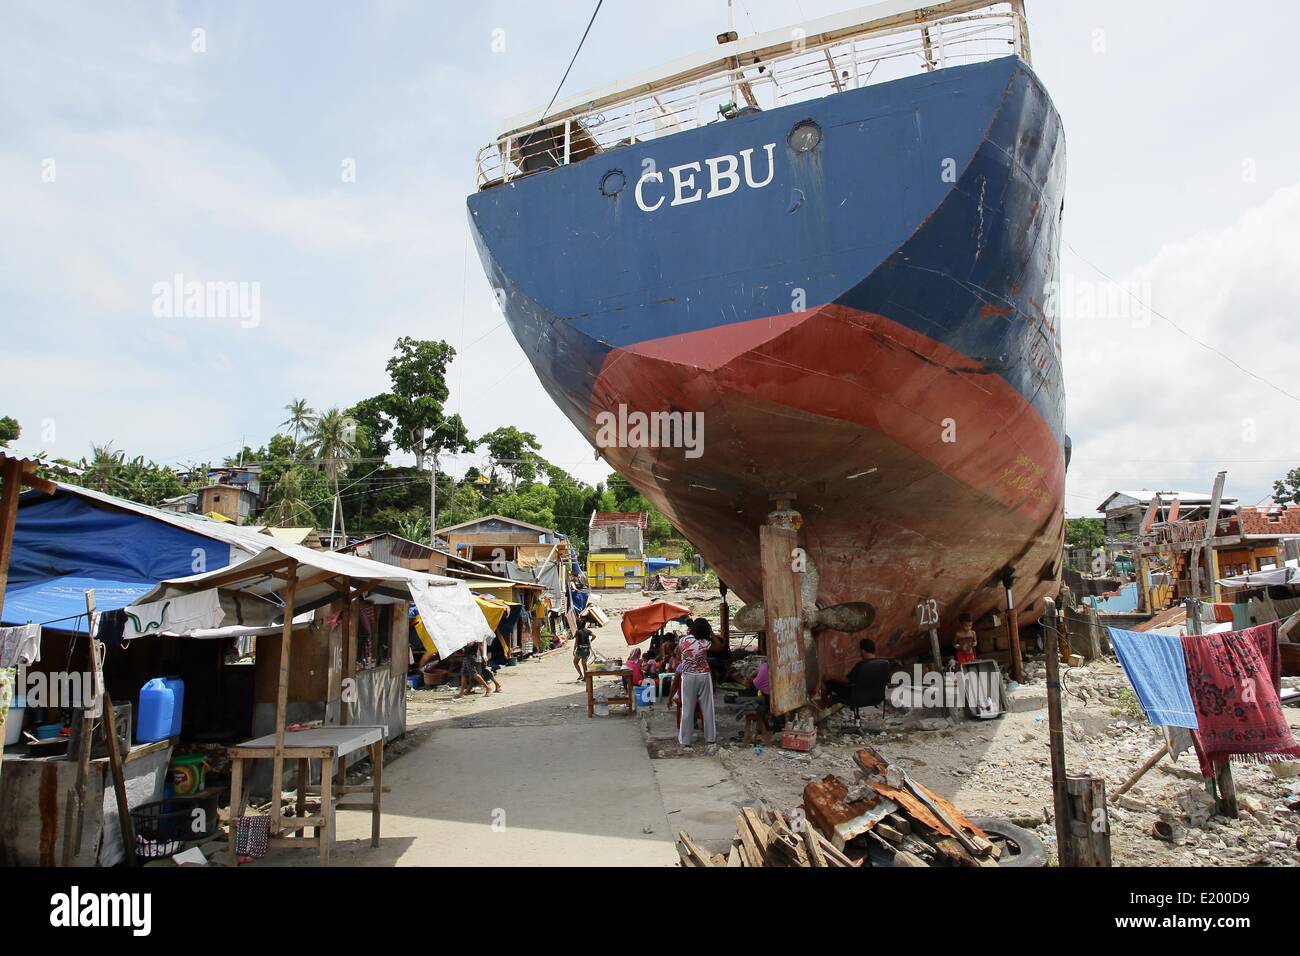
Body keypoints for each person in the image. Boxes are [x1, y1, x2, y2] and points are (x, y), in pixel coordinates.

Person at [677, 617, 720, 753]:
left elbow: (678, 654)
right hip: (703, 675)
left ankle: (686, 742)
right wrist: (712, 634)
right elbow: (720, 647)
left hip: (688, 676)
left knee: (687, 708)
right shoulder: (705, 642)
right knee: (707, 707)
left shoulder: (684, 640)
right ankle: (710, 739)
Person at [822, 638, 879, 706]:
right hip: (874, 697)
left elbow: (847, 681)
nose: (860, 653)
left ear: (863, 651)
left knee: (828, 680)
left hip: (857, 696)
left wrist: (832, 676)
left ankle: (825, 703)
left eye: (860, 651)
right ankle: (832, 700)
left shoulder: (862, 666)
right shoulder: (882, 664)